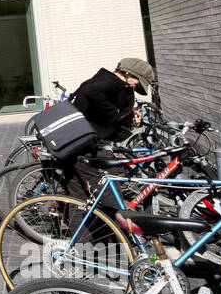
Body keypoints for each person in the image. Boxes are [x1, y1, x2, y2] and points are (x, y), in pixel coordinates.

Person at [62, 57, 156, 215]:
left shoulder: (106, 80)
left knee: (78, 200)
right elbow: (92, 92)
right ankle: (119, 233)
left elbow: (96, 110)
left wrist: (127, 116)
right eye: (137, 82)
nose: (136, 86)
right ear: (127, 73)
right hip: (88, 145)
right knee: (111, 196)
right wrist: (113, 113)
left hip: (77, 142)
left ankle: (83, 238)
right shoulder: (113, 82)